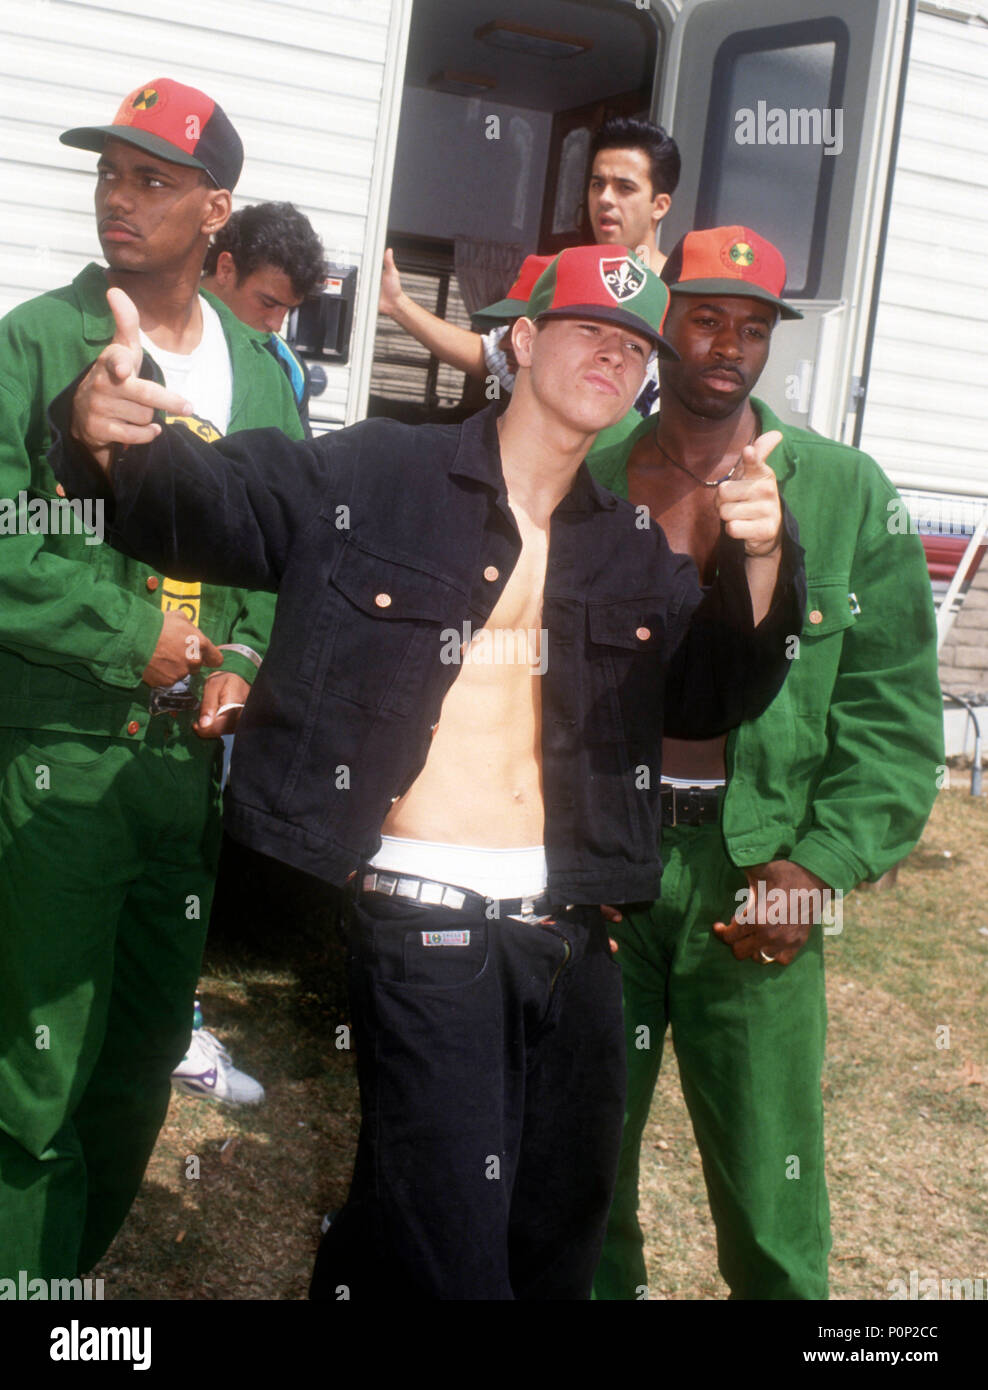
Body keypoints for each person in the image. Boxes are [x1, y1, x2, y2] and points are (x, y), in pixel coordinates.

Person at [52, 242, 805, 1301]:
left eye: (633, 342)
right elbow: (224, 504)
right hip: (428, 917)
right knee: (452, 1251)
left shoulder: (628, 546)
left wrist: (764, 560)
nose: (613, 353)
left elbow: (707, 697)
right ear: (526, 340)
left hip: (573, 931)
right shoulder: (380, 472)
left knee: (554, 1237)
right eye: (588, 326)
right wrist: (110, 443)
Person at [586, 226, 944, 1300]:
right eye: (705, 318)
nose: (728, 345)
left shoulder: (841, 489)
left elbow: (892, 710)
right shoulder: (591, 470)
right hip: (605, 871)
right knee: (577, 1171)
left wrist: (819, 867)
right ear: (663, 324)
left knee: (771, 1190)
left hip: (757, 880)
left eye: (752, 327)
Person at [0, 77, 304, 1284]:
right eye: (108, 174)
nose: (116, 199)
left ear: (214, 208)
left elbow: (289, 540)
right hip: (62, 752)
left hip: (191, 774)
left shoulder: (260, 368)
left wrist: (244, 653)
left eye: (151, 180)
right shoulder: (36, 341)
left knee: (135, 1063)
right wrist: (133, 636)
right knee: (35, 1067)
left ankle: (66, 1279)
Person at [378, 117, 680, 416]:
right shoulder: (570, 274)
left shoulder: (681, 293)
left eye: (624, 188)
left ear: (660, 205)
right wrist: (397, 304)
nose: (605, 199)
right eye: (597, 184)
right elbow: (490, 356)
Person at [201, 201, 328, 433]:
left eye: (289, 309)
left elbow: (295, 464)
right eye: (267, 303)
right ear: (226, 269)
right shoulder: (159, 324)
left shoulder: (290, 370)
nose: (276, 324)